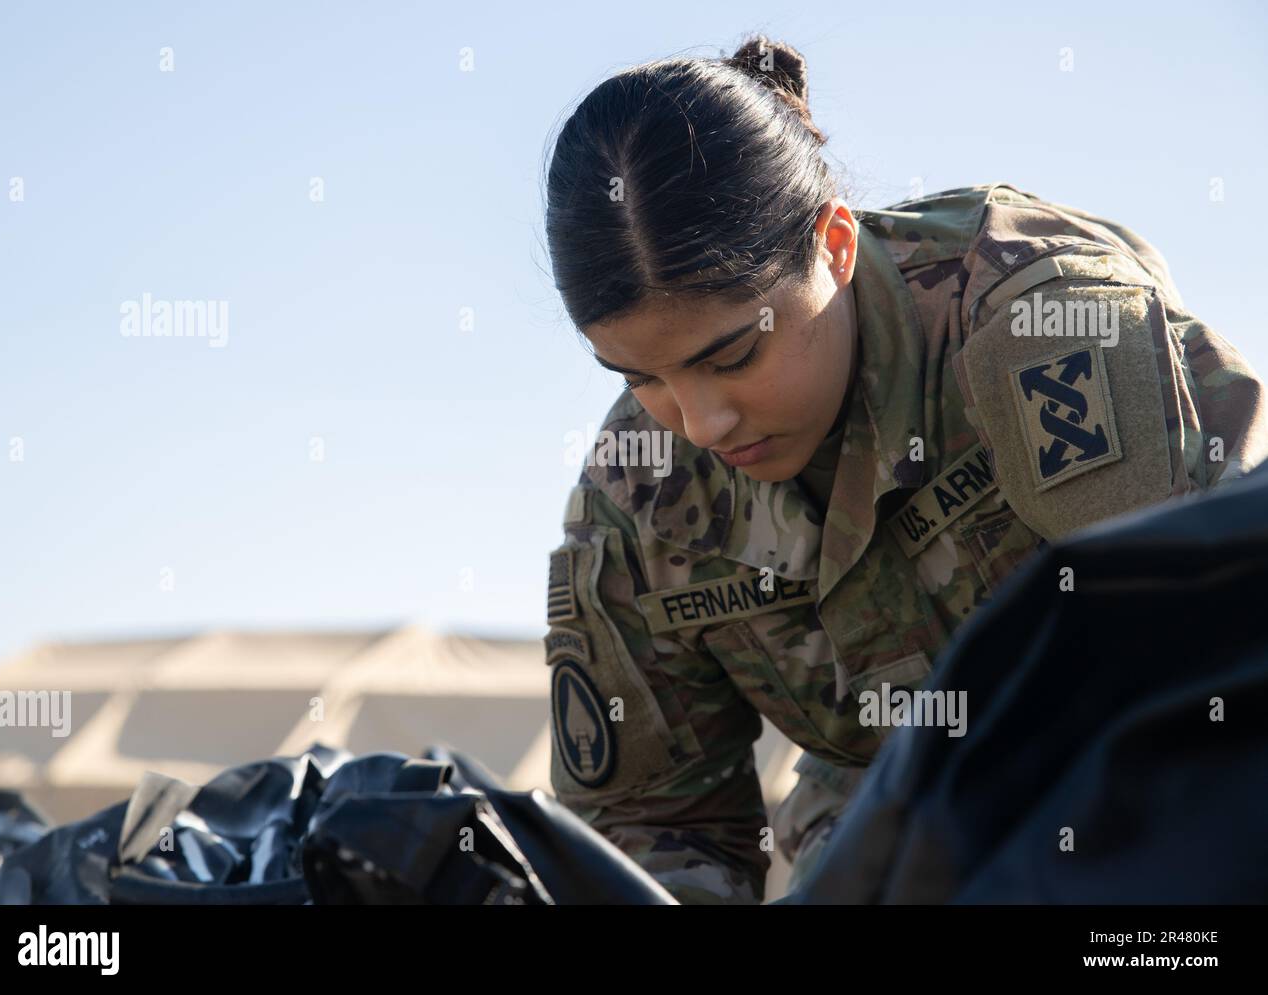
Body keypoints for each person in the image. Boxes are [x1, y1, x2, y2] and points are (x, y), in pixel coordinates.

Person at [539, 35, 1268, 904]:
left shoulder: (1036, 331)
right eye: (641, 378)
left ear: (834, 245)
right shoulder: (639, 499)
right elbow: (655, 830)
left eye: (733, 355)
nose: (701, 422)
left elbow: (1219, 658)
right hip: (890, 833)